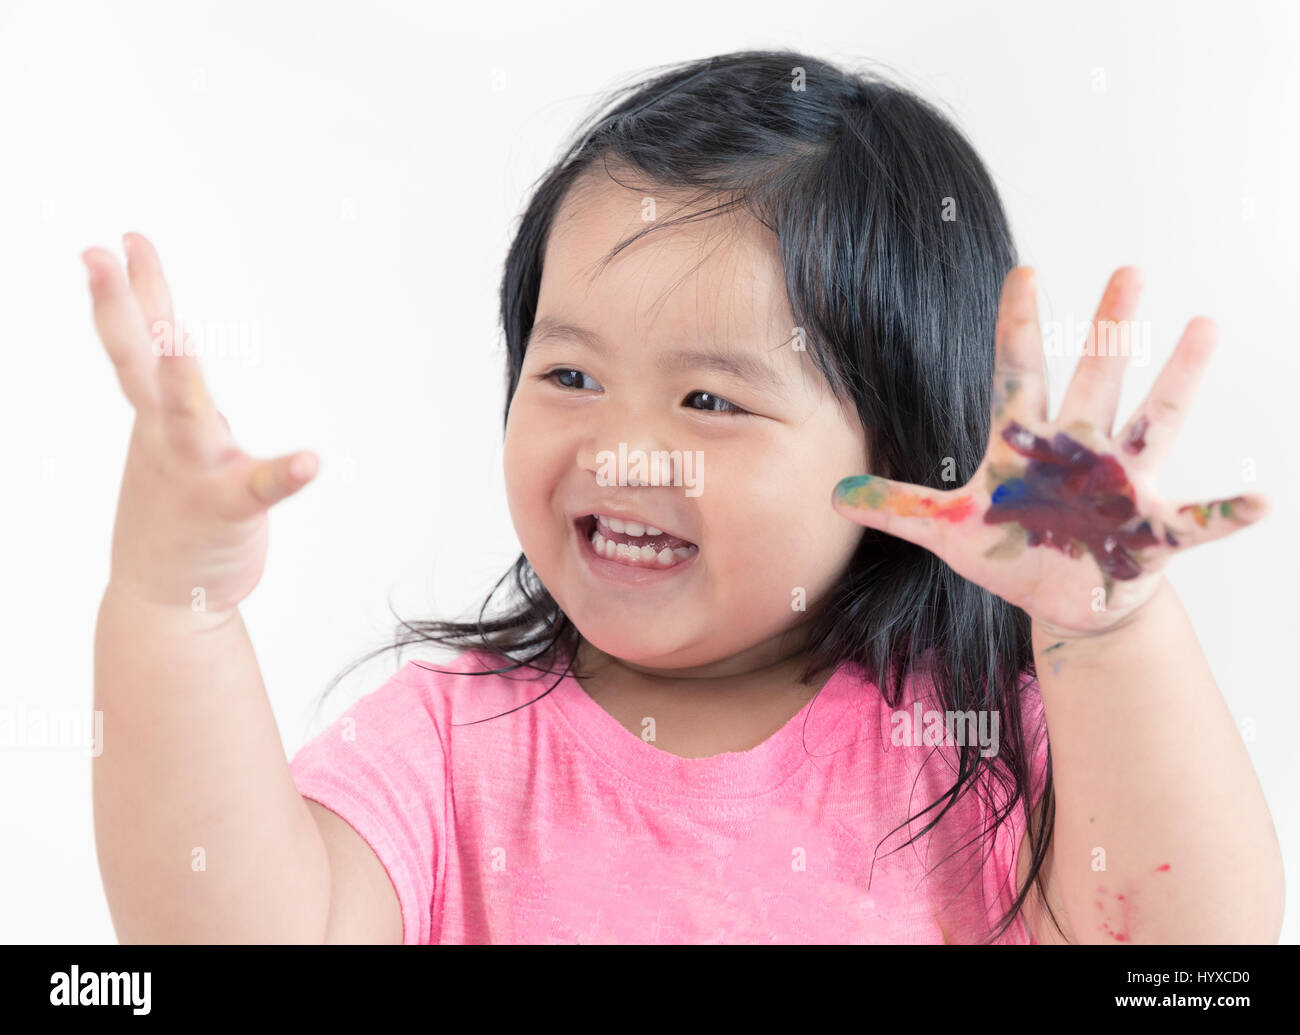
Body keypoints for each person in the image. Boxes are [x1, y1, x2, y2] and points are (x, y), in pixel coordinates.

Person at [86, 50, 1283, 944]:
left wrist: (1107, 629)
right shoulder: (448, 749)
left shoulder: (979, 753)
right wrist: (171, 609)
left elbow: (1198, 964)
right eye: (569, 375)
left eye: (709, 402)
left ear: (906, 448)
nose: (624, 450)